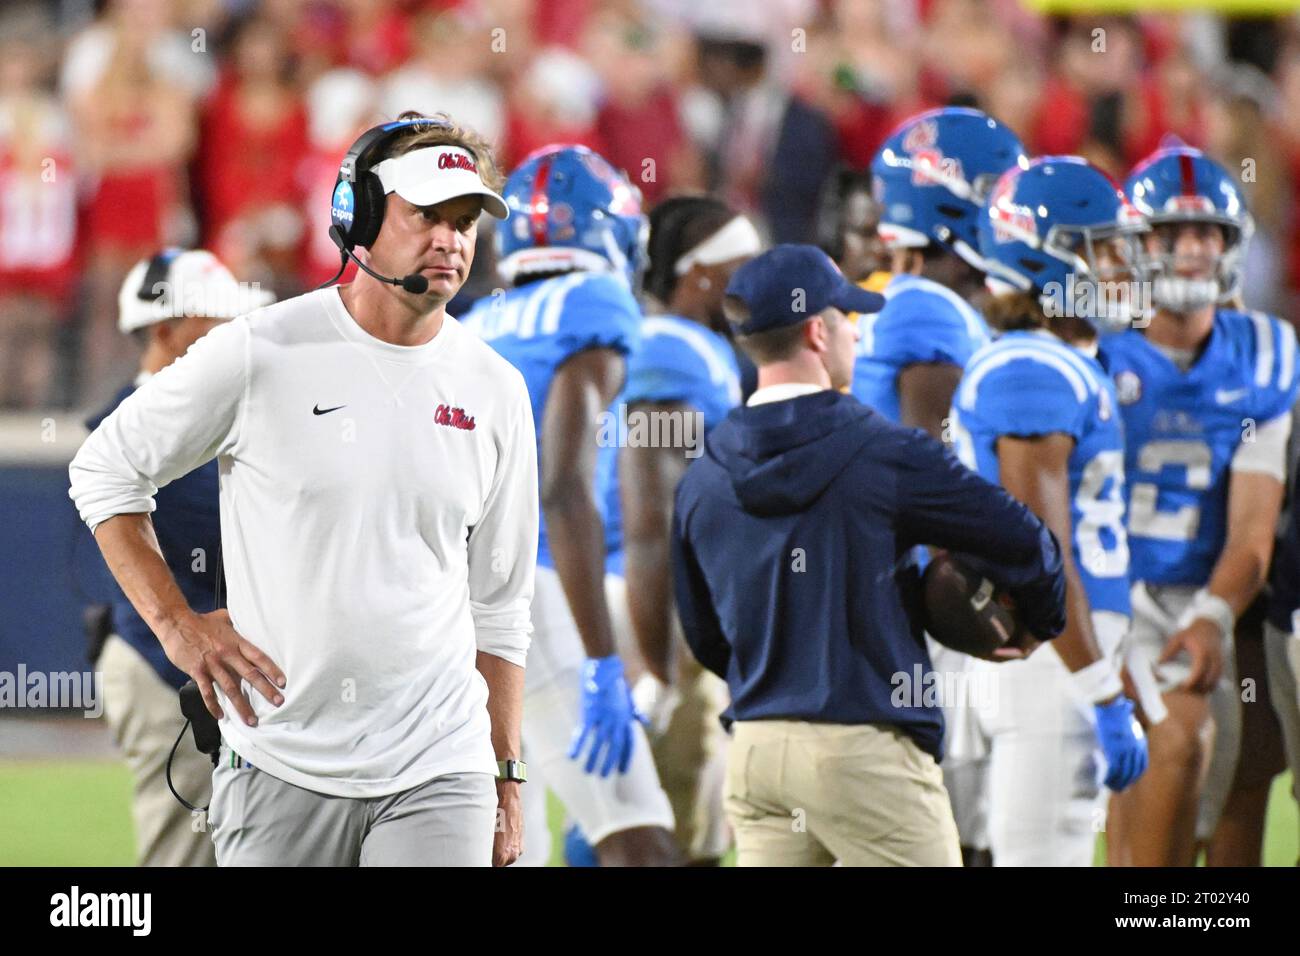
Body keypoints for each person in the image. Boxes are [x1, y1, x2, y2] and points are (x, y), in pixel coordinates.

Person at [69, 113, 538, 867]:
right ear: (359, 218)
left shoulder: (498, 389)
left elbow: (501, 604)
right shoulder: (262, 351)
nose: (450, 240)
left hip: (440, 765)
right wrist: (177, 626)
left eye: (464, 221)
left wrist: (506, 774)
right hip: (280, 760)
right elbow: (103, 470)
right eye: (427, 216)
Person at [671, 244, 1069, 867]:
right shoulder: (885, 452)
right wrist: (1037, 623)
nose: (855, 333)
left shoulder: (703, 474)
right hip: (864, 753)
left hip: (756, 749)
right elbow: (1024, 539)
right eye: (846, 319)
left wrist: (777, 680)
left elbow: (704, 635)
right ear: (815, 332)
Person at [460, 144, 679, 867]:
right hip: (527, 589)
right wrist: (600, 661)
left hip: (440, 594)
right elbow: (562, 486)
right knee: (636, 832)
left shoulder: (475, 321)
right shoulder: (596, 302)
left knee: (504, 840)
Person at [949, 156, 1150, 867]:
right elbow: (1040, 549)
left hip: (1058, 655)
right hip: (1047, 662)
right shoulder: (1031, 368)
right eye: (1105, 249)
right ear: (1049, 260)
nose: (1124, 266)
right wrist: (1099, 687)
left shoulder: (1056, 358)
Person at [1103, 144, 1300, 866]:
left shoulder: (1264, 354)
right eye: (1171, 234)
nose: (1191, 251)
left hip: (1199, 596)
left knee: (1210, 771)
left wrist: (1214, 613)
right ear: (1136, 244)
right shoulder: (1093, 346)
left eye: (1207, 234)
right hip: (1094, 597)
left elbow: (1253, 529)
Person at [855, 106, 1027, 866]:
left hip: (875, 599)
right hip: (921, 607)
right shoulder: (930, 308)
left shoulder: (897, 298)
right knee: (959, 838)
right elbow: (939, 483)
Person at [89, 248, 272, 867]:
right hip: (168, 666)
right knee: (184, 855)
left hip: (200, 667)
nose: (234, 333)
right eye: (215, 319)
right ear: (166, 329)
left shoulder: (213, 419)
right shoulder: (120, 434)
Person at [606, 195, 760, 865]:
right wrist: (658, 667)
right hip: (663, 608)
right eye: (742, 266)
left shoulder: (696, 348)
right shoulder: (671, 349)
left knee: (679, 825)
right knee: (669, 834)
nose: (756, 282)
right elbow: (650, 519)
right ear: (700, 273)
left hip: (677, 602)